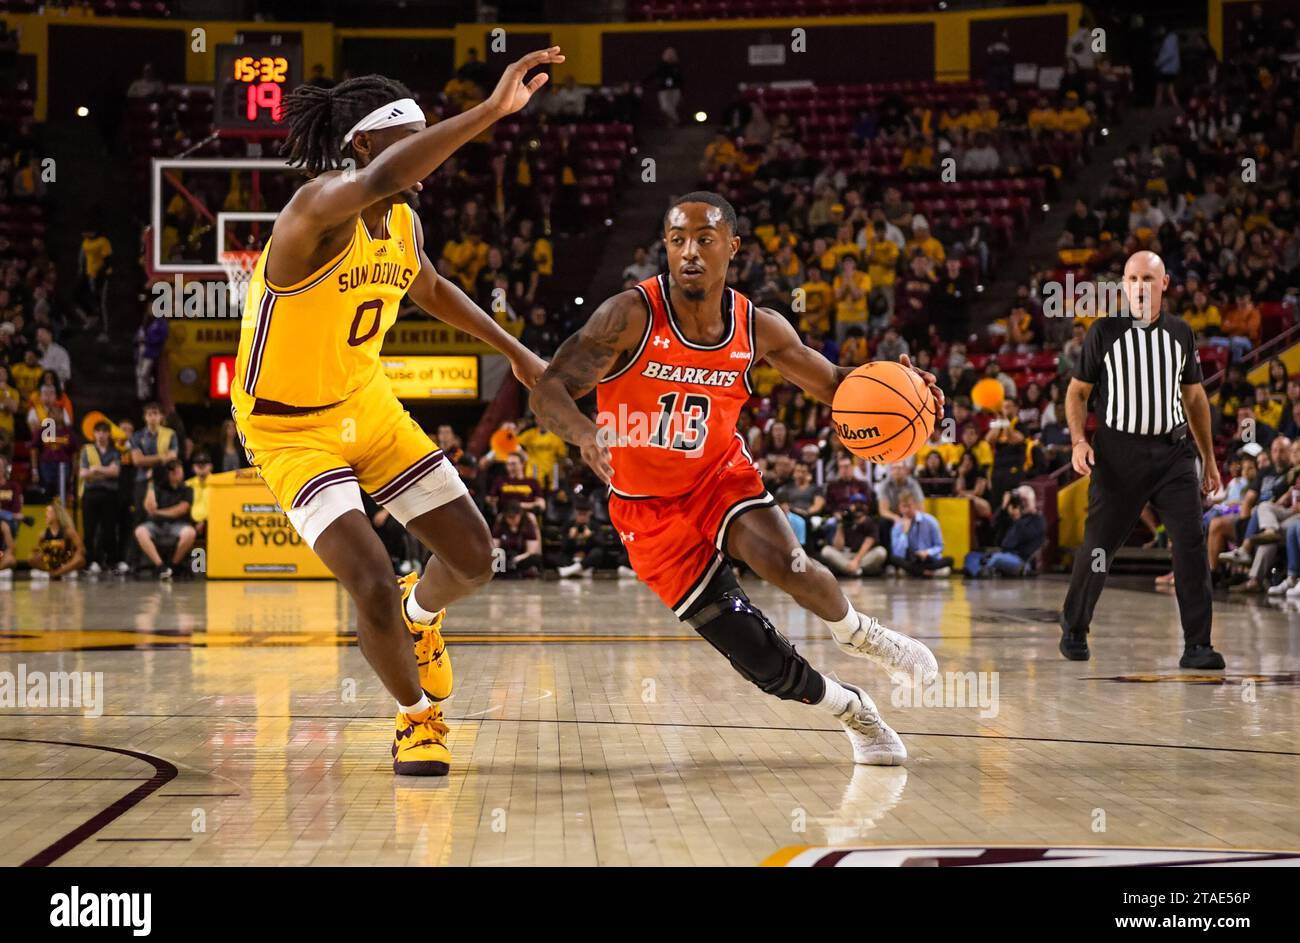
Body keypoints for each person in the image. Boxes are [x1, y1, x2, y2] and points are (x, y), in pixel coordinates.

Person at [229, 51, 560, 775]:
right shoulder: (314, 210)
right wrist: (491, 113)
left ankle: (423, 617)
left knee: (476, 557)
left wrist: (519, 354)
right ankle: (417, 720)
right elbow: (379, 180)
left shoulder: (402, 222)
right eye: (405, 136)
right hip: (288, 428)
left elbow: (432, 289)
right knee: (370, 578)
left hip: (365, 402)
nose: (422, 153)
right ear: (364, 147)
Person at [530, 191, 941, 766]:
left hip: (719, 477)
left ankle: (865, 636)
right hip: (645, 510)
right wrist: (583, 432)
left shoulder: (759, 327)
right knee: (759, 658)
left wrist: (903, 384)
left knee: (788, 564)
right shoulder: (628, 315)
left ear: (733, 247)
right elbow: (547, 387)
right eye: (677, 241)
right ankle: (852, 710)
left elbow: (832, 383)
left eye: (704, 239)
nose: (689, 252)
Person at [1061, 251, 1224, 668]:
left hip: (1173, 453)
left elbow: (1194, 397)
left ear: (1164, 284)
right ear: (1123, 285)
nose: (1138, 286)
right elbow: (1077, 392)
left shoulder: (1181, 333)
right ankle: (1075, 628)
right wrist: (1079, 441)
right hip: (1118, 453)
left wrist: (1209, 459)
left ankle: (1197, 645)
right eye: (1132, 279)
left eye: (1148, 279)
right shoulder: (1104, 332)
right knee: (1099, 547)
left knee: (1190, 543)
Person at [963, 486, 1046, 577]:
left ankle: (985, 567)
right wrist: (1003, 508)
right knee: (970, 556)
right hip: (1002, 554)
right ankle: (981, 572)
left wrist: (1017, 519)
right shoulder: (1010, 517)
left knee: (997, 558)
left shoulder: (1037, 521)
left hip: (1020, 559)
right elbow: (993, 526)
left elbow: (1008, 544)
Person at [134, 459, 195, 579]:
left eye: (178, 469)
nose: (176, 472)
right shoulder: (158, 488)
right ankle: (160, 566)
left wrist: (158, 512)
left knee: (190, 533)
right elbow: (149, 507)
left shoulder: (187, 489)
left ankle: (174, 564)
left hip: (178, 524)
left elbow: (181, 510)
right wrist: (151, 482)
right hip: (157, 525)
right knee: (140, 531)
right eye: (172, 470)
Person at [78, 419, 122, 574]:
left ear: (109, 434)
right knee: (89, 530)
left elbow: (116, 472)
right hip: (91, 494)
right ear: (94, 434)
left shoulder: (115, 451)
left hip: (109, 495)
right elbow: (83, 473)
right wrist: (105, 471)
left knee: (109, 530)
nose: (101, 435)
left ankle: (111, 562)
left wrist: (95, 469)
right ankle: (89, 562)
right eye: (98, 432)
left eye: (105, 432)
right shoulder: (87, 450)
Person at [820, 493, 888, 577]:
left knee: (881, 552)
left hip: (863, 556)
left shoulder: (870, 522)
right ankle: (856, 571)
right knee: (826, 551)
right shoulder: (845, 521)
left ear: (866, 507)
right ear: (850, 506)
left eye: (861, 504)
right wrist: (840, 525)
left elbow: (868, 543)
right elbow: (838, 547)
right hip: (846, 555)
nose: (858, 507)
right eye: (855, 504)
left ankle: (848, 569)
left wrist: (856, 561)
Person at [888, 491, 952, 577]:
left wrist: (927, 552)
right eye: (904, 506)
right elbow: (897, 553)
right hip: (910, 559)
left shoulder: (930, 521)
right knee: (893, 559)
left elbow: (940, 546)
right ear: (899, 508)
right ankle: (925, 572)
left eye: (909, 506)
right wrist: (904, 533)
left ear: (915, 505)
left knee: (949, 560)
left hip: (928, 559)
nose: (906, 510)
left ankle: (916, 572)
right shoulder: (898, 525)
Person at [29, 500, 85, 580]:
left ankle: (56, 573)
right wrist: (37, 553)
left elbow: (81, 549)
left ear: (57, 515)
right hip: (50, 563)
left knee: (80, 559)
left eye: (49, 512)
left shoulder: (68, 531)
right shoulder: (43, 534)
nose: (46, 514)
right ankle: (57, 573)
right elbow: (37, 551)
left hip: (66, 562)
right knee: (32, 558)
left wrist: (73, 559)